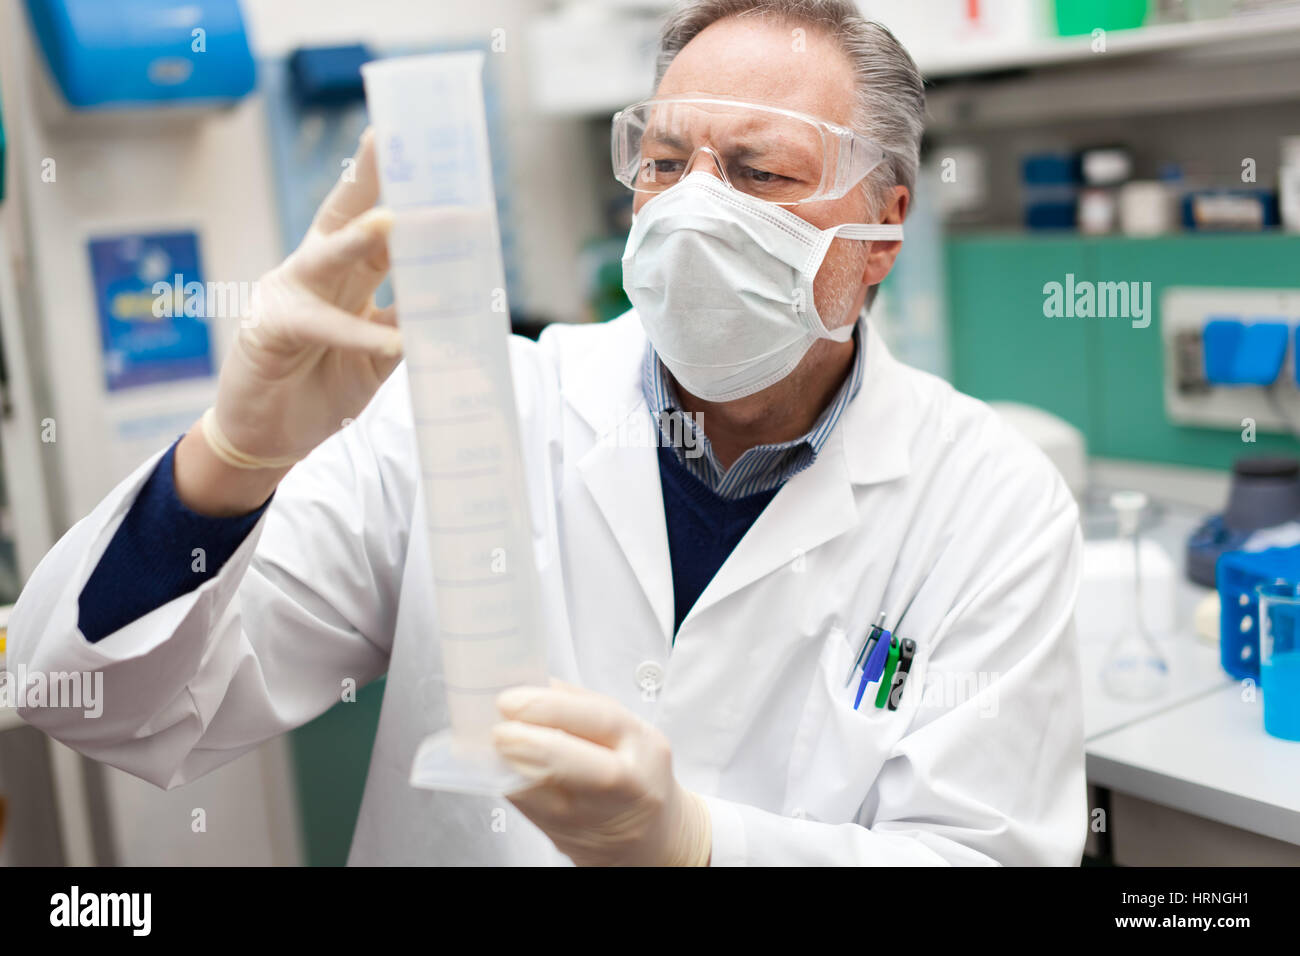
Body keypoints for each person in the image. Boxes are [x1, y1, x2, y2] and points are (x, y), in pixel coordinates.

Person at [9, 0, 1086, 866]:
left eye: (757, 173)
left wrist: (697, 847)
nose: (692, 208)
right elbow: (104, 700)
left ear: (883, 229)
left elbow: (979, 853)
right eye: (663, 164)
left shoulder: (989, 499)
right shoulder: (471, 413)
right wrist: (227, 460)